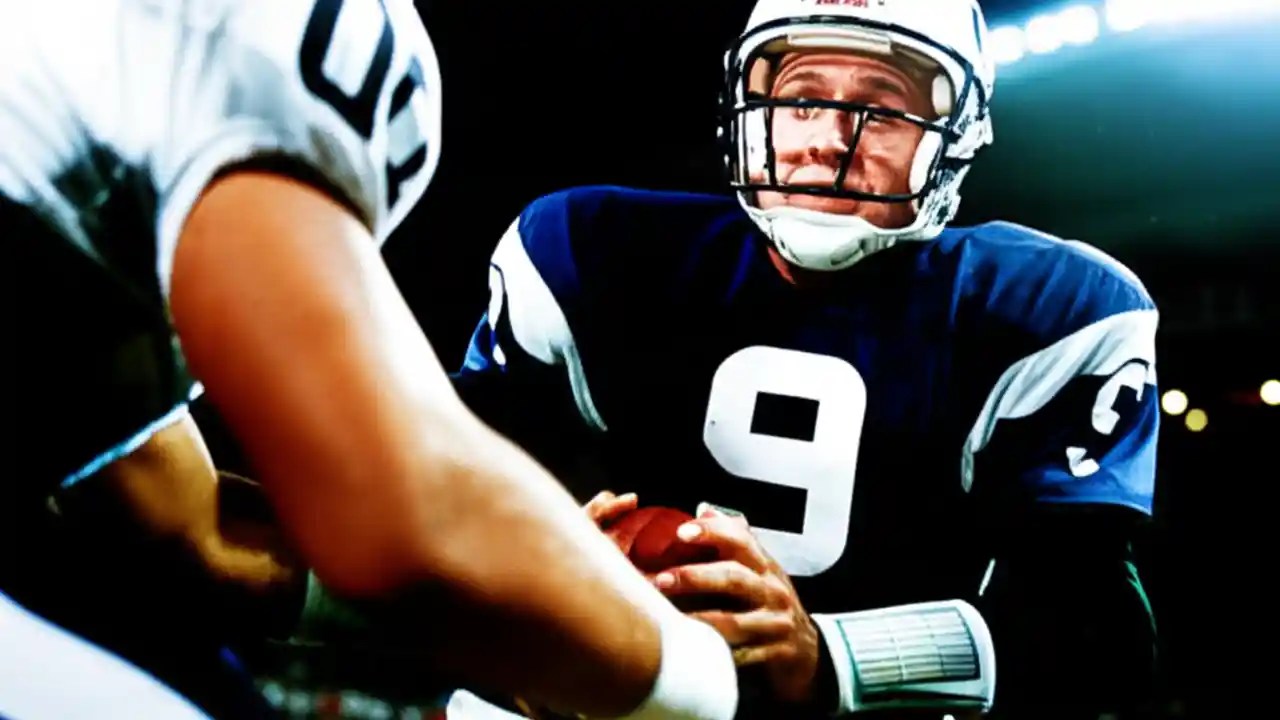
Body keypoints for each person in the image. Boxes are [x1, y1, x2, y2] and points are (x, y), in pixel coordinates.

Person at [0, 1, 739, 718]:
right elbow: (407, 514)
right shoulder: (299, 27)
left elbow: (178, 515)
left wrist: (527, 620)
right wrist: (693, 675)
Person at [449, 0, 1161, 717]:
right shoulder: (590, 255)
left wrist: (827, 657)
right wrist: (528, 630)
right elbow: (433, 517)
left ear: (954, 140)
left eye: (879, 112)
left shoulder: (1044, 311)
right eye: (801, 100)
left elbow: (1100, 642)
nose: (826, 141)